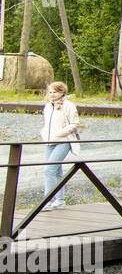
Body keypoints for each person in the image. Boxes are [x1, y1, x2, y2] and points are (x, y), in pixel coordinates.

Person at [40, 81, 81, 210]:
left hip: (64, 141)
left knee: (49, 170)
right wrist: (44, 133)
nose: (52, 94)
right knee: (56, 171)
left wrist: (60, 133)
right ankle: (60, 200)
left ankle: (47, 201)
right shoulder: (47, 106)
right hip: (49, 141)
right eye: (50, 92)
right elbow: (47, 124)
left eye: (55, 92)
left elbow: (75, 123)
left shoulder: (69, 105)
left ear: (62, 92)